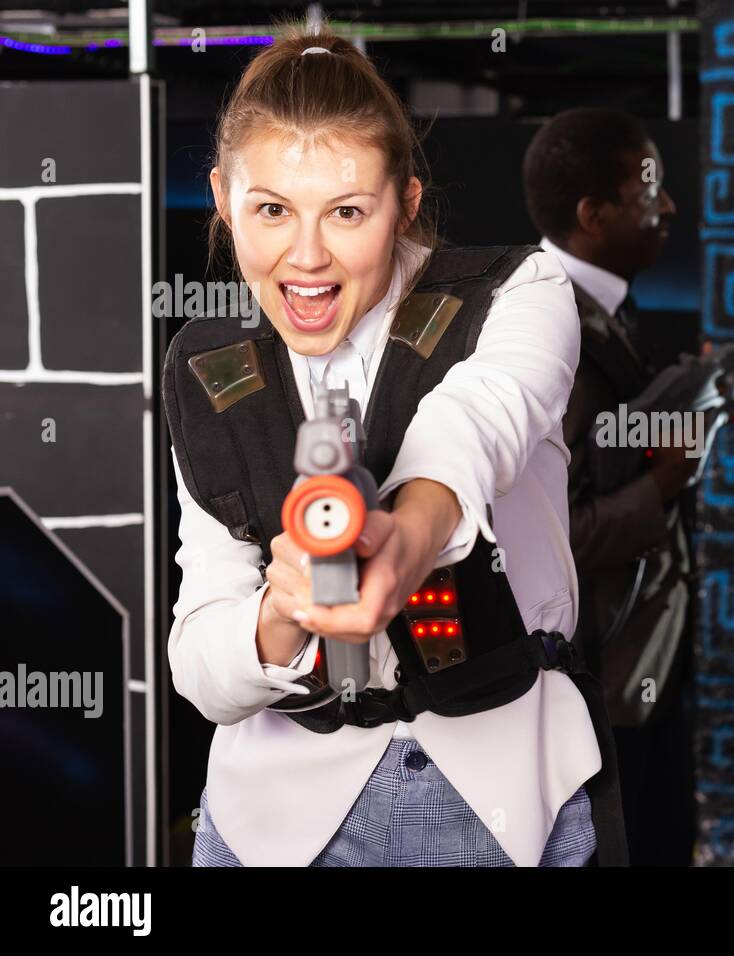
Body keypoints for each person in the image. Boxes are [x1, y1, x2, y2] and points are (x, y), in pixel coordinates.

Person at [163, 28, 625, 867]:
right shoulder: (208, 367)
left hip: (499, 802)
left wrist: (404, 539)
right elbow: (199, 667)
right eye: (271, 209)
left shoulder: (521, 292)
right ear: (223, 201)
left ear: (407, 202)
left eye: (346, 211)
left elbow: (475, 425)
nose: (306, 258)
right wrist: (281, 615)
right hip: (272, 821)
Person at [522, 107, 696, 865]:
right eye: (649, 188)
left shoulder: (603, 311)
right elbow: (551, 531)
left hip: (634, 675)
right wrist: (662, 484)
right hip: (591, 682)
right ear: (593, 214)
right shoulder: (545, 331)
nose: (669, 207)